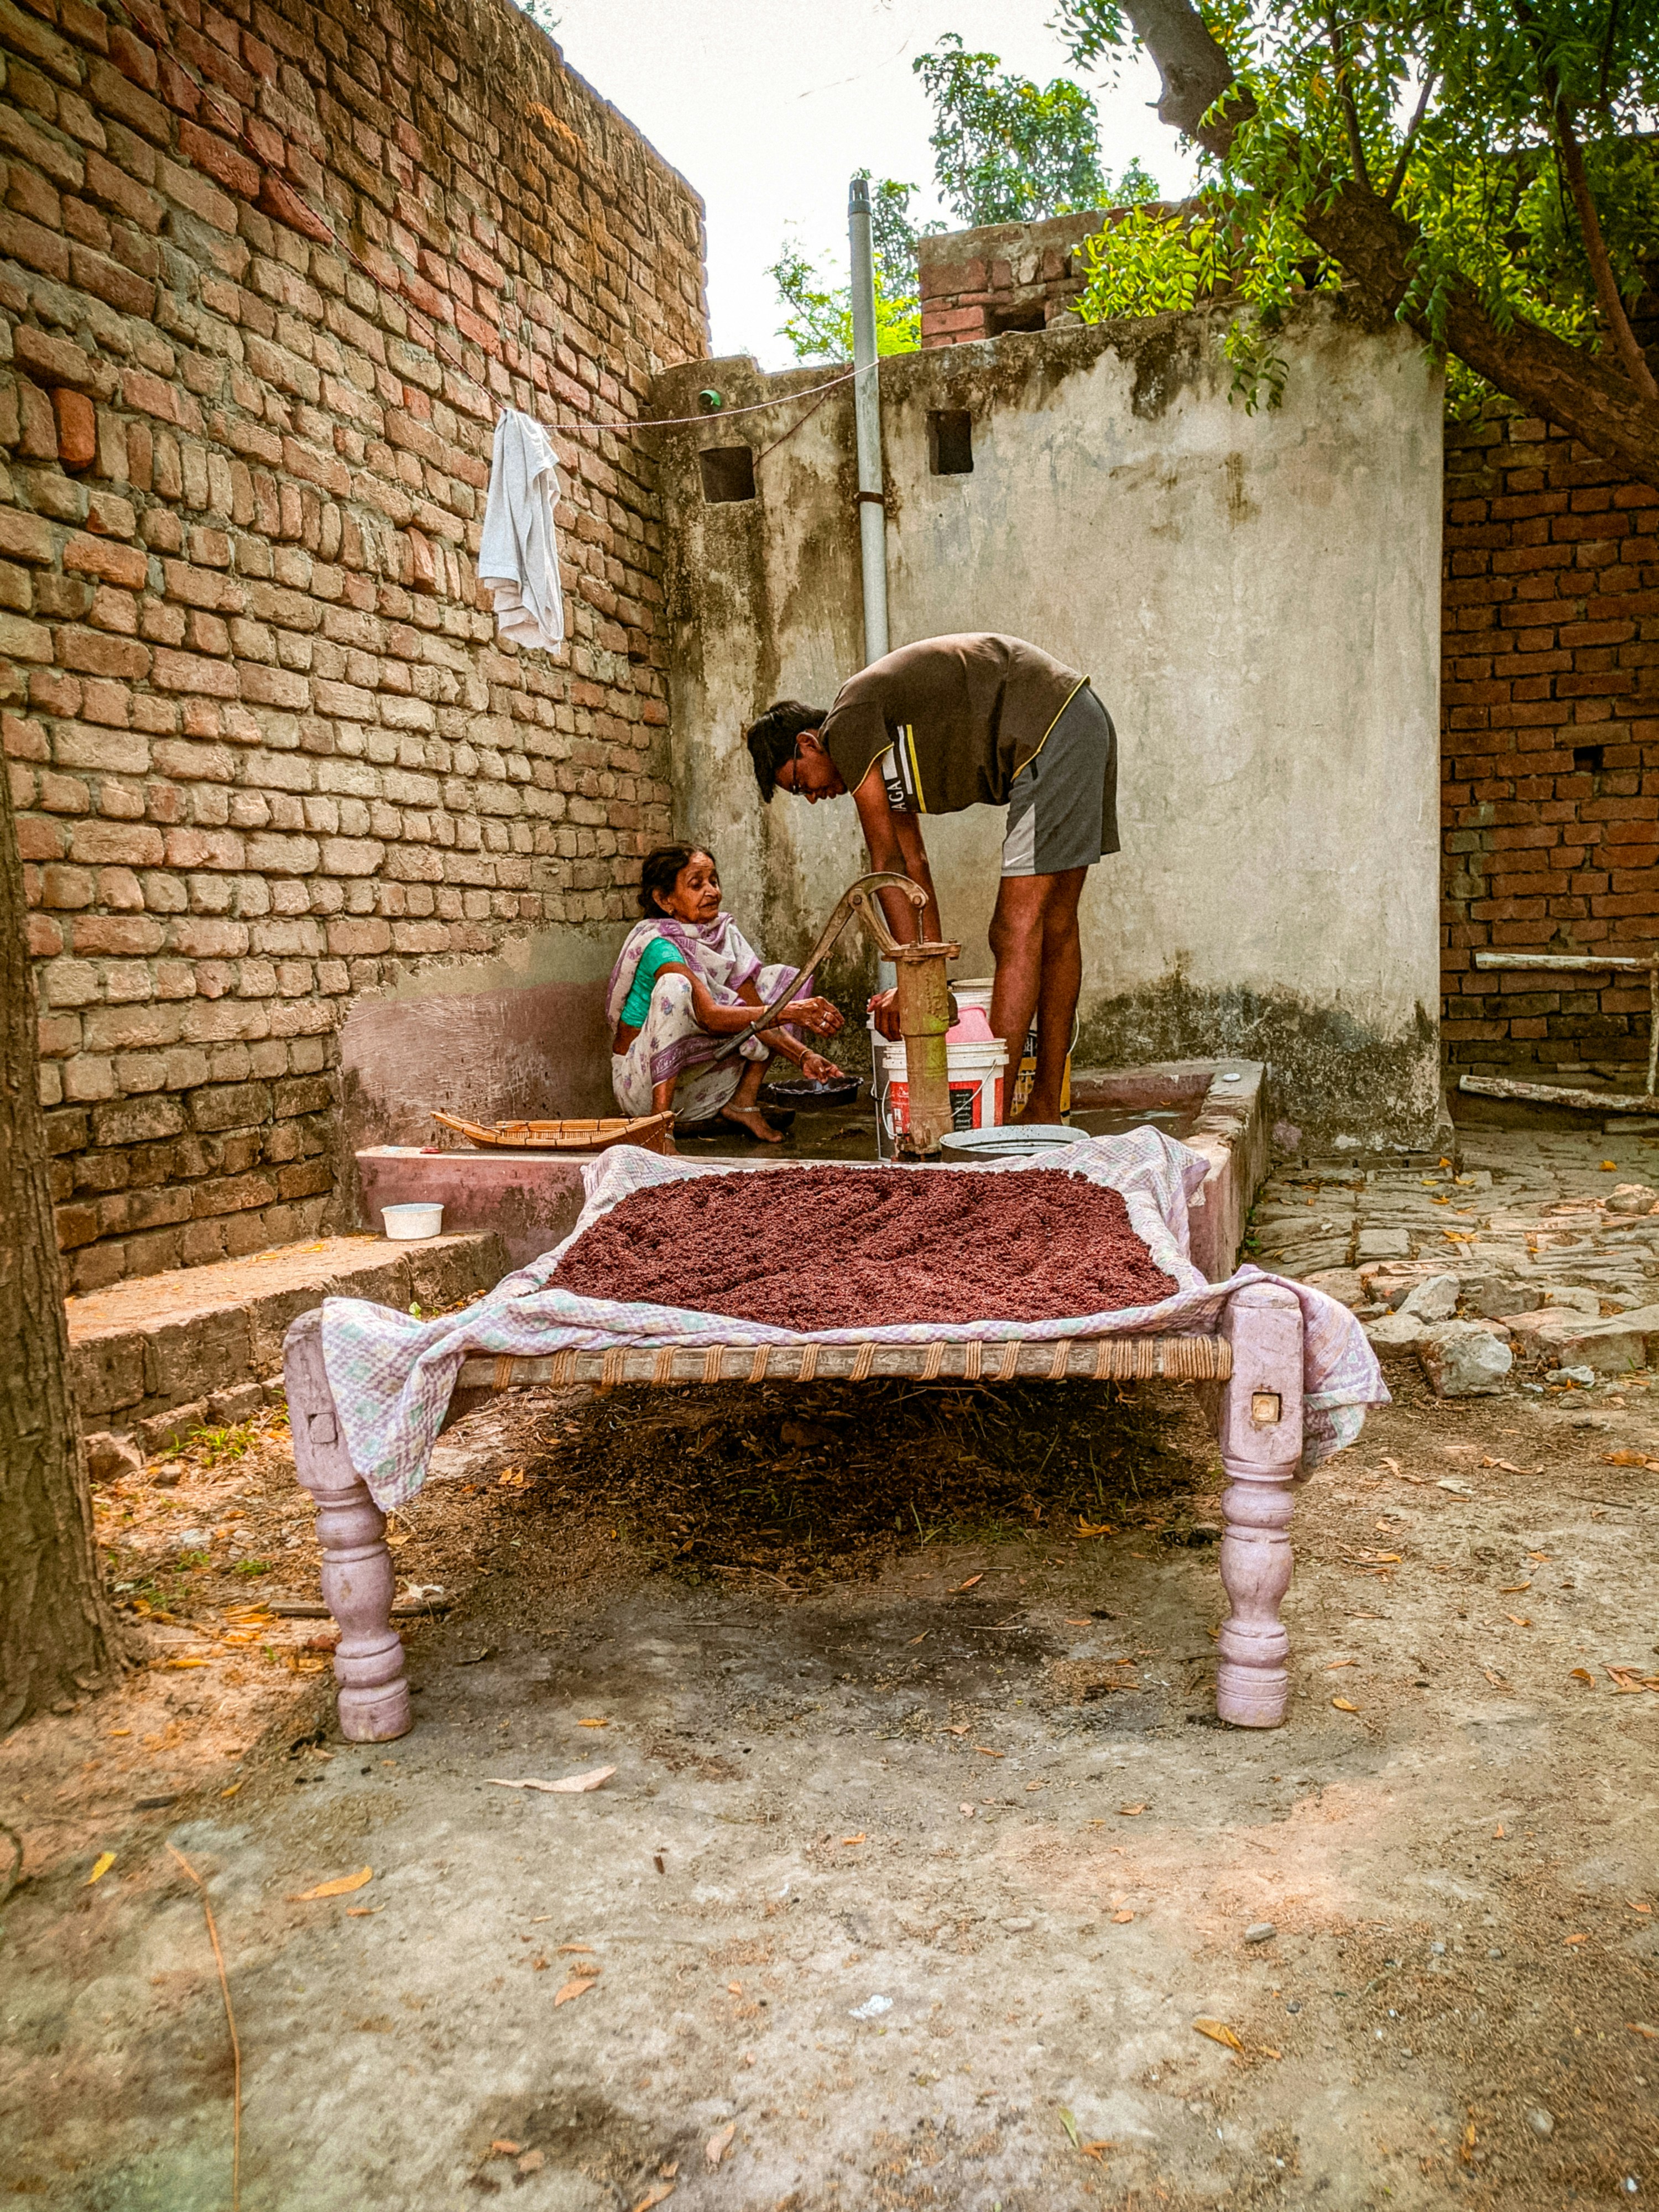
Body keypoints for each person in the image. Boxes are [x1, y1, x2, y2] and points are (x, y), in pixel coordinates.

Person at [743, 633, 1117, 1125]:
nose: (812, 797)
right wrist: (927, 974)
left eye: (799, 783)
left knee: (1014, 928)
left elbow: (884, 861)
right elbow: (910, 862)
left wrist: (912, 978)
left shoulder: (847, 723)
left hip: (1048, 732)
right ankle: (1043, 1105)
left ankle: (992, 1124)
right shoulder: (871, 743)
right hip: (1077, 720)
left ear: (808, 743)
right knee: (1057, 925)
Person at [608, 843, 846, 1144]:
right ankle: (659, 1130)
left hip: (701, 1094)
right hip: (641, 1092)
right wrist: (793, 1013)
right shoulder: (658, 944)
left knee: (783, 986)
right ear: (665, 900)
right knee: (675, 987)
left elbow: (757, 1010)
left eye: (714, 881)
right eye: (697, 885)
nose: (712, 892)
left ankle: (742, 1104)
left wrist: (805, 1056)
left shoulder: (724, 934)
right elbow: (709, 1017)